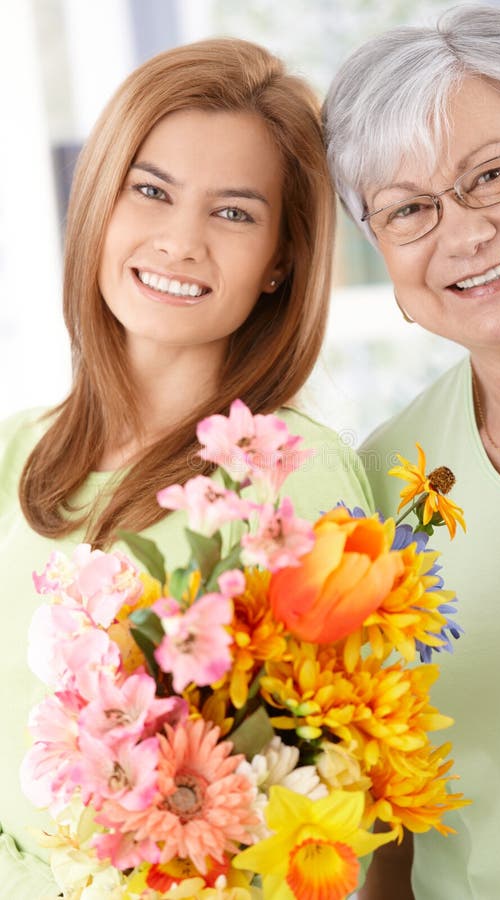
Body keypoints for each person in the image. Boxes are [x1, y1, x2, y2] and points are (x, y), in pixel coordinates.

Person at [0, 37, 375, 897]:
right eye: (152, 191)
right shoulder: (14, 454)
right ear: (100, 199)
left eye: (234, 213)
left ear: (283, 259)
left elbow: (322, 808)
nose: (180, 241)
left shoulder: (293, 482)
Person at [323, 4, 500, 899]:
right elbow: (389, 828)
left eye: (490, 175)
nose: (464, 233)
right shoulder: (380, 485)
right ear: (382, 252)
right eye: (410, 211)